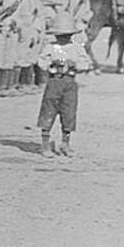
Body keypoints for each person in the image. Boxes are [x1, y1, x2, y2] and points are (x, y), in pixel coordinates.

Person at [36, 11, 92, 158]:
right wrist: (50, 65)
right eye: (60, 36)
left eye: (66, 36)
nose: (63, 39)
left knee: (69, 113)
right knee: (48, 111)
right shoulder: (50, 47)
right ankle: (45, 144)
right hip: (54, 81)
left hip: (69, 82)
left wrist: (75, 64)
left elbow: (85, 63)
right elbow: (41, 62)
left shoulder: (77, 48)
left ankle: (65, 143)